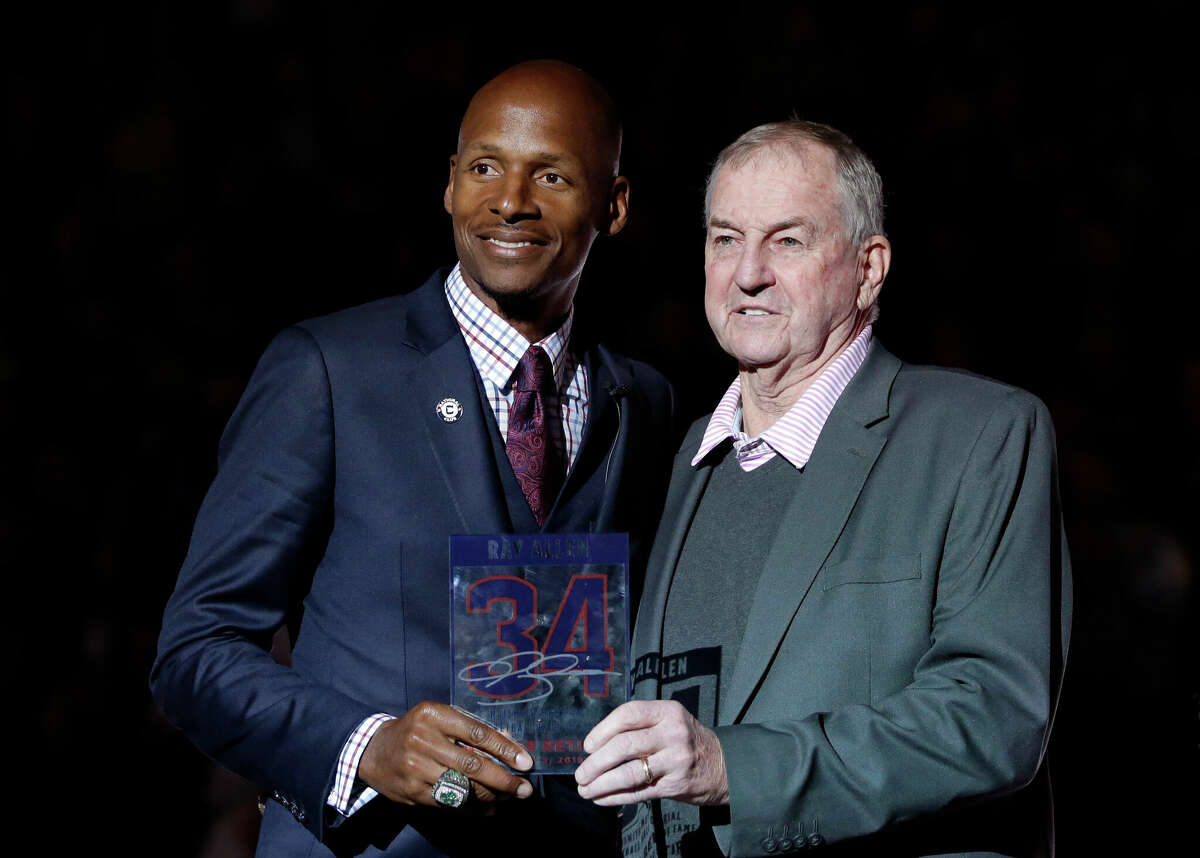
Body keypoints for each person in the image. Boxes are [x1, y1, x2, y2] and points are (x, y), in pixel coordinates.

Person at [151, 60, 676, 858]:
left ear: (616, 203)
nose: (510, 201)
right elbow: (196, 651)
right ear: (449, 185)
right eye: (485, 167)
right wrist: (364, 747)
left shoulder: (645, 402)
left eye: (553, 175)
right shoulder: (328, 371)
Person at [574, 120, 1072, 857]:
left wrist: (729, 767)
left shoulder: (979, 435)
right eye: (724, 239)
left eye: (788, 241)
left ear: (869, 269)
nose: (748, 272)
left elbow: (992, 719)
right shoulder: (675, 465)